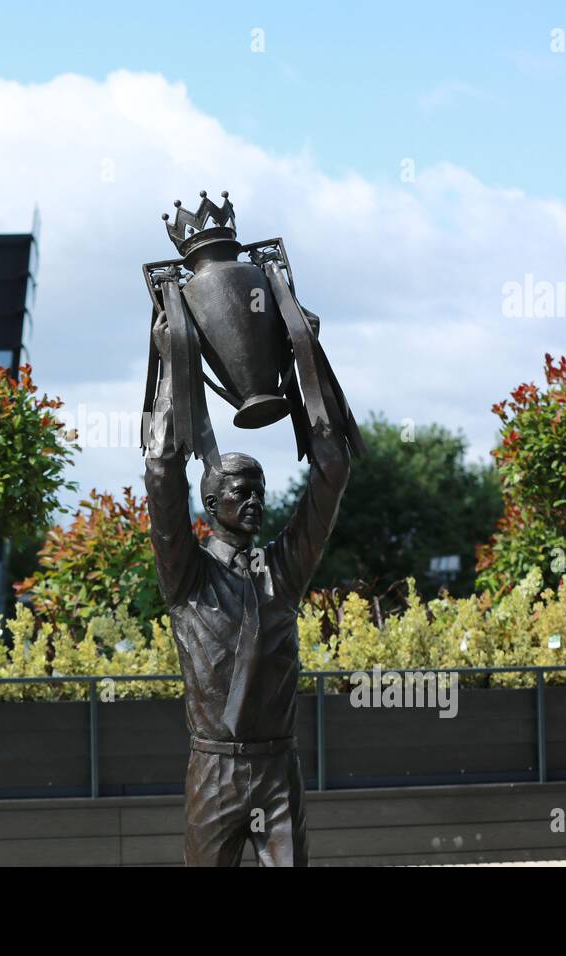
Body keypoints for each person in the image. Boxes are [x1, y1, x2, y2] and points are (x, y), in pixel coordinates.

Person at [144, 311, 350, 866]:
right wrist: (173, 362)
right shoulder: (187, 576)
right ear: (212, 506)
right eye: (242, 491)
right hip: (214, 772)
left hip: (278, 769)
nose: (256, 500)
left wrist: (306, 357)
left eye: (260, 490)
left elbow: (332, 468)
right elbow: (163, 469)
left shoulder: (281, 572)